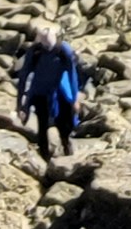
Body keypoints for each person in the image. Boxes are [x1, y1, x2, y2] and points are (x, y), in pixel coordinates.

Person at [14, 23, 87, 161]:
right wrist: (21, 105)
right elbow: (23, 77)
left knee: (65, 121)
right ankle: (44, 156)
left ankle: (66, 145)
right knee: (43, 124)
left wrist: (74, 99)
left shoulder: (63, 50)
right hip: (40, 91)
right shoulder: (35, 52)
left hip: (59, 89)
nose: (49, 49)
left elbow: (72, 74)